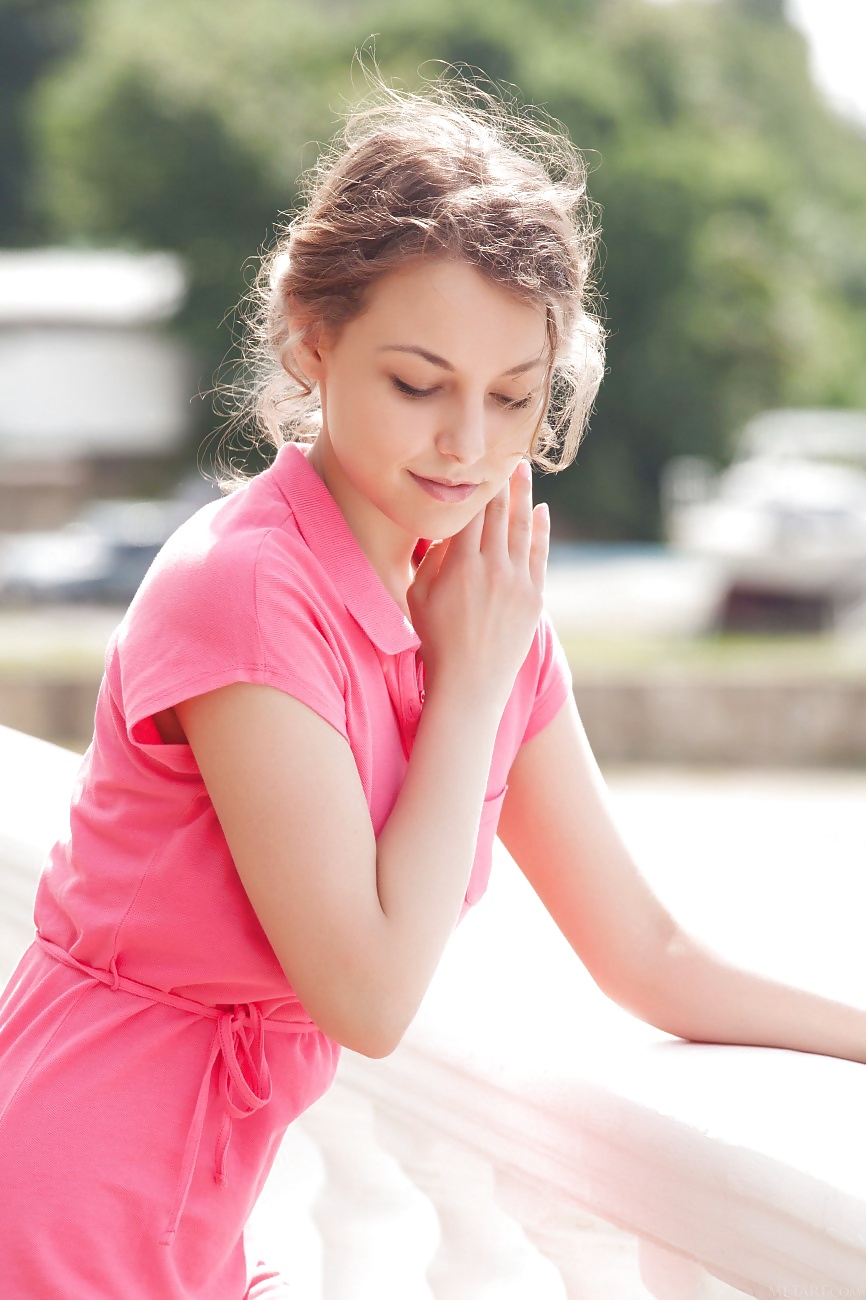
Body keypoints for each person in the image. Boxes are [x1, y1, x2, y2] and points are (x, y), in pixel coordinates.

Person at [1, 73, 865, 1300]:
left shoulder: (482, 598)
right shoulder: (248, 590)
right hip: (64, 1193)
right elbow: (365, 993)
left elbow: (649, 950)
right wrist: (464, 692)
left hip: (198, 1204)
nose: (466, 444)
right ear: (314, 339)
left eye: (511, 398)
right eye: (419, 384)